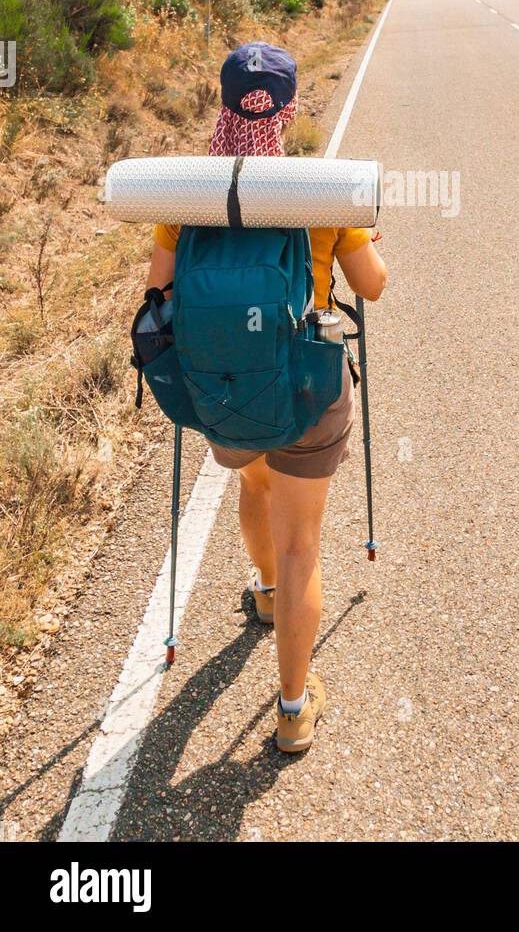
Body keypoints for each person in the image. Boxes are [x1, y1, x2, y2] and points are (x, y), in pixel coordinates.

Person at [146, 42, 387, 752]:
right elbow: (371, 287)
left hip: (225, 388)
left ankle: (265, 592)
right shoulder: (323, 194)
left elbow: (157, 295)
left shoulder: (187, 196)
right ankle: (290, 708)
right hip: (309, 386)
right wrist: (365, 238)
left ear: (224, 105)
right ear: (288, 111)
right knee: (302, 542)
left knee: (255, 488)